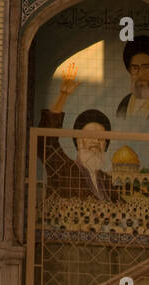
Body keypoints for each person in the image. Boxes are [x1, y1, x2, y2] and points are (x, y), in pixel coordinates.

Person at [38, 64, 116, 201]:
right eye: (91, 136)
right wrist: (63, 96)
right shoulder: (63, 169)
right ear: (78, 141)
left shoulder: (106, 181)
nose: (96, 142)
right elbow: (45, 143)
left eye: (101, 138)